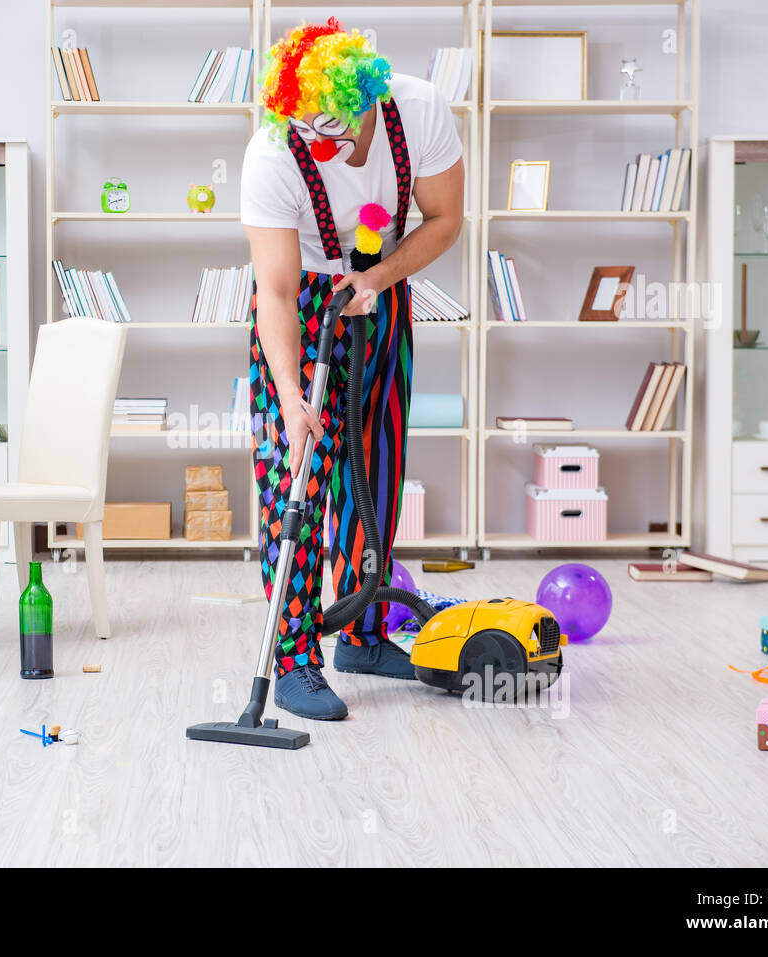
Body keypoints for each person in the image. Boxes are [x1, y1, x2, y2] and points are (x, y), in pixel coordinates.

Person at [240, 19, 465, 720]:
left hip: (380, 289)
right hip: (302, 303)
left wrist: (380, 278)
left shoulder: (420, 110)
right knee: (296, 478)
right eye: (304, 124)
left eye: (331, 123)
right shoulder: (273, 153)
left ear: (365, 98)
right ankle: (297, 658)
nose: (318, 138)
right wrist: (288, 396)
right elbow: (273, 292)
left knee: (376, 466)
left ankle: (363, 634)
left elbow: (445, 218)